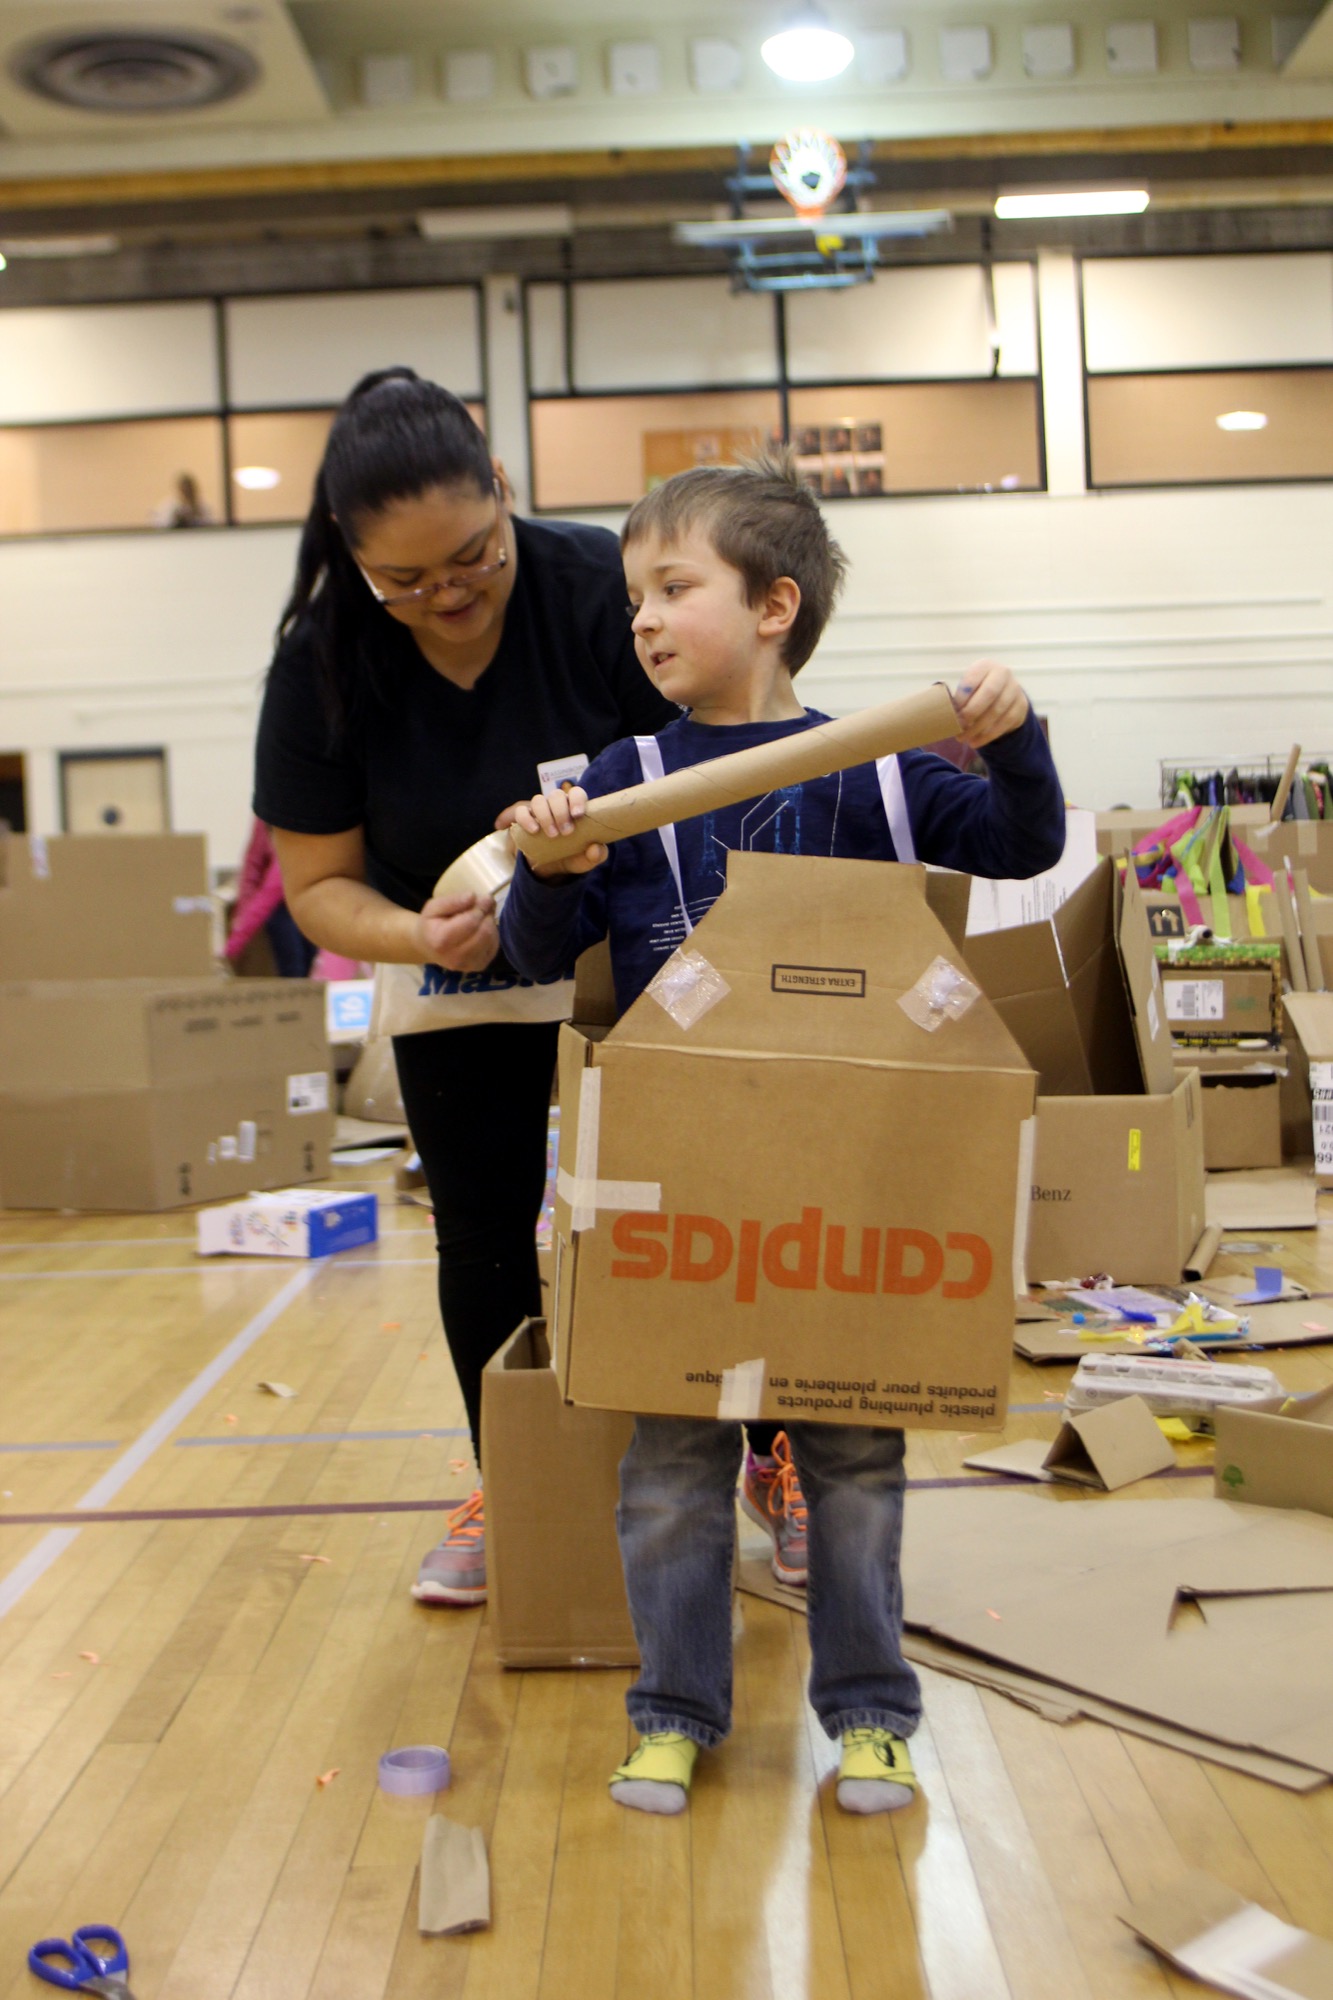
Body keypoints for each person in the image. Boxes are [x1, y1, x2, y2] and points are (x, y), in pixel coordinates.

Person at [498, 447, 1065, 1816]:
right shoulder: (620, 780)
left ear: (772, 604)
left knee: (857, 1465)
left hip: (855, 1184)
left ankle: (868, 1711)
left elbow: (1024, 841)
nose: (639, 614)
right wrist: (548, 863)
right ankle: (676, 1708)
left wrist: (1013, 729)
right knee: (673, 1477)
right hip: (676, 1186)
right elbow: (534, 950)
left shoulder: (876, 771)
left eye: (671, 584)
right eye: (632, 590)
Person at [252, 368, 676, 1605]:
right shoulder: (323, 661)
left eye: (471, 557)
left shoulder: (599, 586)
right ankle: (515, 1475)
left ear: (504, 490)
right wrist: (413, 932)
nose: (445, 595)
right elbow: (317, 881)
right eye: (405, 579)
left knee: (685, 1200)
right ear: (352, 554)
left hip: (627, 937)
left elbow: (708, 751)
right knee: (485, 1229)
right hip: (456, 966)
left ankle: (757, 1452)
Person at [225, 817, 317, 976]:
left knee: (301, 965)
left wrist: (234, 943)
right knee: (294, 965)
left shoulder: (290, 854)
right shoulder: (267, 820)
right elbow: (252, 864)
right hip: (286, 908)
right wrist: (242, 911)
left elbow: (267, 896)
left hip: (304, 904)